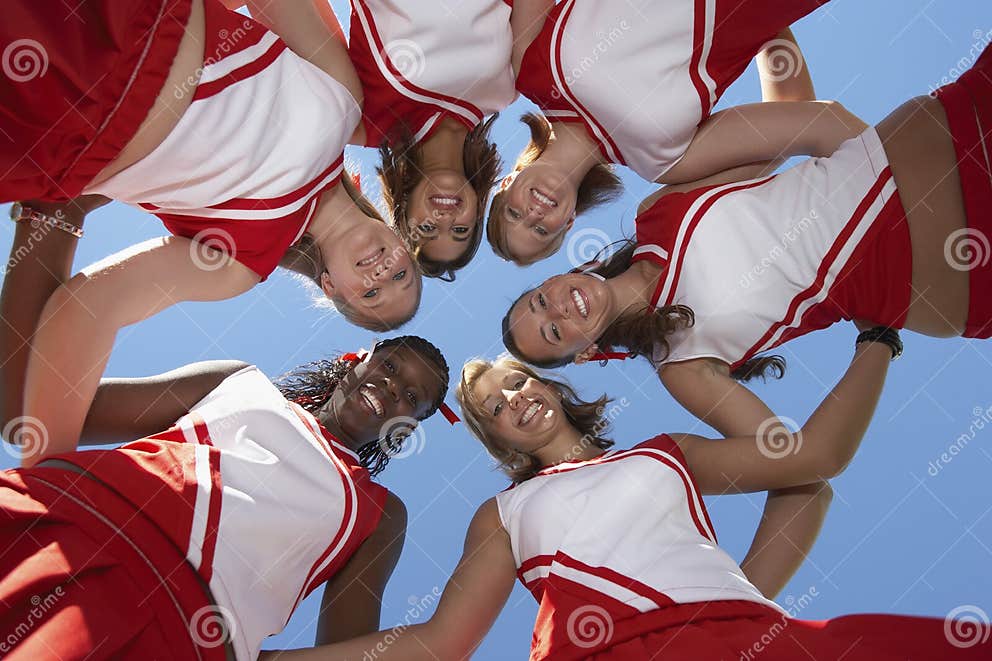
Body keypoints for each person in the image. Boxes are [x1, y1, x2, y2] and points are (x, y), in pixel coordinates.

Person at [261, 347, 990, 660]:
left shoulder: (665, 452)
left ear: (548, 386)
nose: (515, 400)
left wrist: (877, 340)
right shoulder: (504, 513)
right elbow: (442, 641)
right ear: (495, 438)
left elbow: (813, 469)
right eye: (494, 408)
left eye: (517, 382)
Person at [0, 197, 451, 660]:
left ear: (405, 429)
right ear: (355, 362)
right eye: (390, 366)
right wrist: (53, 216)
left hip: (169, 631)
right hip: (54, 520)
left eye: (412, 397)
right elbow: (25, 415)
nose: (393, 386)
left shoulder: (379, 513)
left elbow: (347, 652)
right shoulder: (238, 381)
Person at [502, 43, 992, 448]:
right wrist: (879, 340)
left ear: (555, 277)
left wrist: (766, 27)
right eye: (553, 332)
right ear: (586, 353)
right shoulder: (682, 366)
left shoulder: (659, 211)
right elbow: (794, 458)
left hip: (964, 119)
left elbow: (795, 120)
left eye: (540, 301)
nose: (558, 310)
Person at [2, 0, 420, 334]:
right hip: (131, 17)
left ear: (330, 286)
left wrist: (57, 211)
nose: (382, 276)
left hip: (51, 131)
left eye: (371, 295)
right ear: (402, 239)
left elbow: (96, 304)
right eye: (402, 274)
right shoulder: (347, 104)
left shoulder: (242, 264)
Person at [487, 0, 833, 265]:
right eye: (540, 230)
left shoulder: (526, 67)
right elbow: (800, 121)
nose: (533, 214)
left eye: (514, 214)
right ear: (568, 222)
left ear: (507, 182)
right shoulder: (663, 162)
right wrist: (764, 27)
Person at [346, 0, 552, 279]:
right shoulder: (509, 85)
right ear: (478, 209)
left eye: (427, 229)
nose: (444, 219)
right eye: (460, 230)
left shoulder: (362, 120)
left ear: (403, 209)